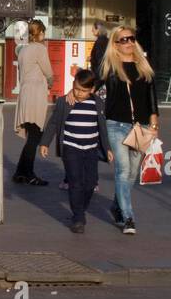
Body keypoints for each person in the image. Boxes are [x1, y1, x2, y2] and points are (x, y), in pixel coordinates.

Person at [100, 25, 159, 236]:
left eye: (131, 38)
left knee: (132, 172)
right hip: (116, 124)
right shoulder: (110, 66)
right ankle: (128, 217)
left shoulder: (143, 65)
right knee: (123, 170)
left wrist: (154, 122)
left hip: (140, 126)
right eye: (123, 40)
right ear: (115, 44)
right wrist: (72, 94)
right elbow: (92, 86)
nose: (128, 43)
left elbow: (151, 95)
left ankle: (117, 205)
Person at [40, 68, 113, 233]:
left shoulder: (97, 103)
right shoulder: (65, 102)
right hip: (71, 148)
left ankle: (80, 207)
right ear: (73, 85)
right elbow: (53, 123)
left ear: (92, 90)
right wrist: (45, 143)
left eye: (84, 91)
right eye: (77, 89)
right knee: (75, 182)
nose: (79, 94)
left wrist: (107, 148)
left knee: (91, 182)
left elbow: (102, 128)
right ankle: (79, 217)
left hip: (91, 149)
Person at [12, 18, 53, 187]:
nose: (44, 34)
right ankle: (28, 173)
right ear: (39, 33)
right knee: (35, 136)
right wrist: (51, 82)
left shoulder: (23, 50)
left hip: (25, 92)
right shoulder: (39, 49)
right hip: (36, 93)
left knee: (32, 135)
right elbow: (48, 71)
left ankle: (20, 172)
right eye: (43, 31)